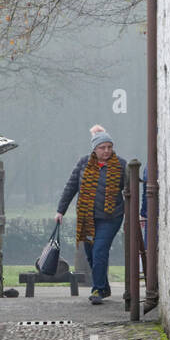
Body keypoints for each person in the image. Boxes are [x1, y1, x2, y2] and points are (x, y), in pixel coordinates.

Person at [55, 127, 126, 305]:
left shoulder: (121, 165)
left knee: (99, 250)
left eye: (109, 147)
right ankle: (104, 287)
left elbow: (129, 191)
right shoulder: (83, 163)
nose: (107, 151)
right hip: (87, 218)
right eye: (103, 147)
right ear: (94, 148)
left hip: (111, 217)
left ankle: (97, 289)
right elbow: (71, 187)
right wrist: (60, 210)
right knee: (91, 254)